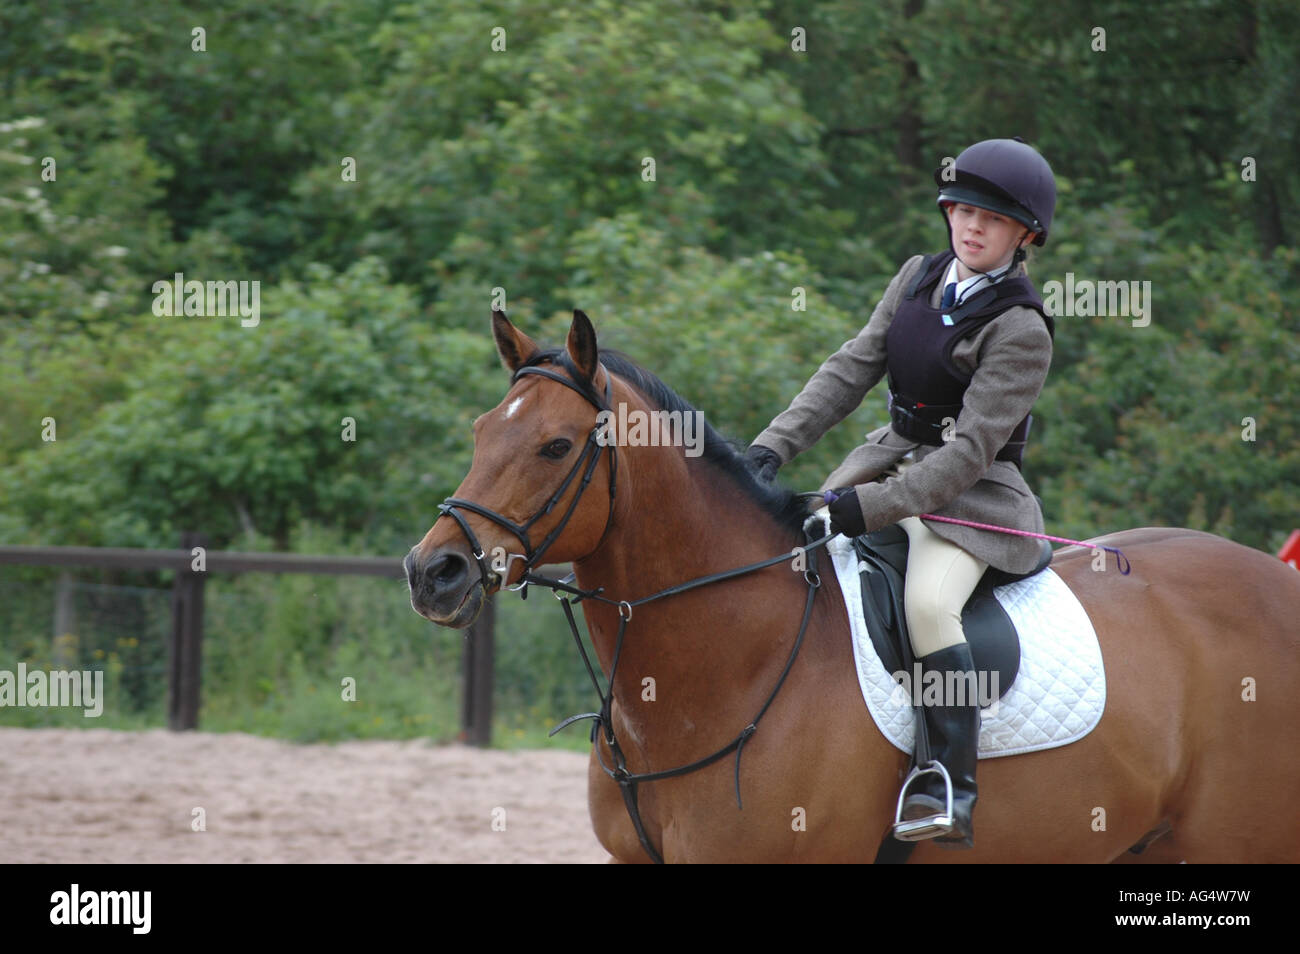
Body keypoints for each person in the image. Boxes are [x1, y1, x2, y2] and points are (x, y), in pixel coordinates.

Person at [746, 137, 1057, 848]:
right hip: (879, 468)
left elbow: (968, 454)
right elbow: (849, 368)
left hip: (971, 502)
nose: (972, 227)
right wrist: (770, 447)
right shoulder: (919, 275)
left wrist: (865, 508)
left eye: (993, 219)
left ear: (1024, 234)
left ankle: (948, 782)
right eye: (962, 211)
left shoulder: (1021, 328)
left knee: (926, 605)